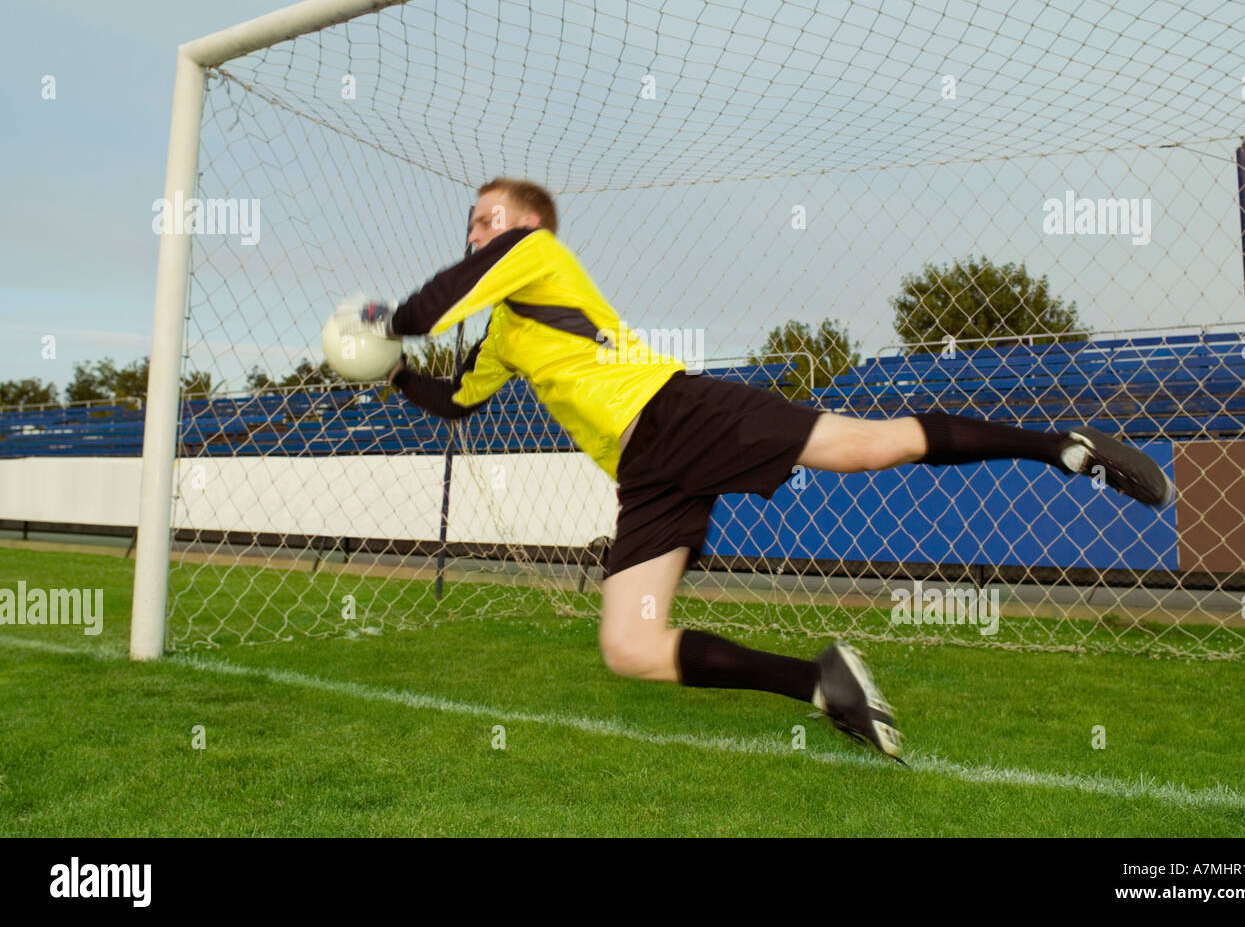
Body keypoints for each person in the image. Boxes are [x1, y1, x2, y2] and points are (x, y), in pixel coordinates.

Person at [356, 177, 1173, 763]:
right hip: (647, 474)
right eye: (468, 225)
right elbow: (460, 400)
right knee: (629, 645)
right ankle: (822, 685)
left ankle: (1067, 447)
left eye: (484, 218)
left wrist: (382, 324)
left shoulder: (535, 256)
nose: (473, 233)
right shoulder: (503, 331)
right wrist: (393, 375)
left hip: (678, 413)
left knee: (867, 446)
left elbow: (437, 303)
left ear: (530, 222)